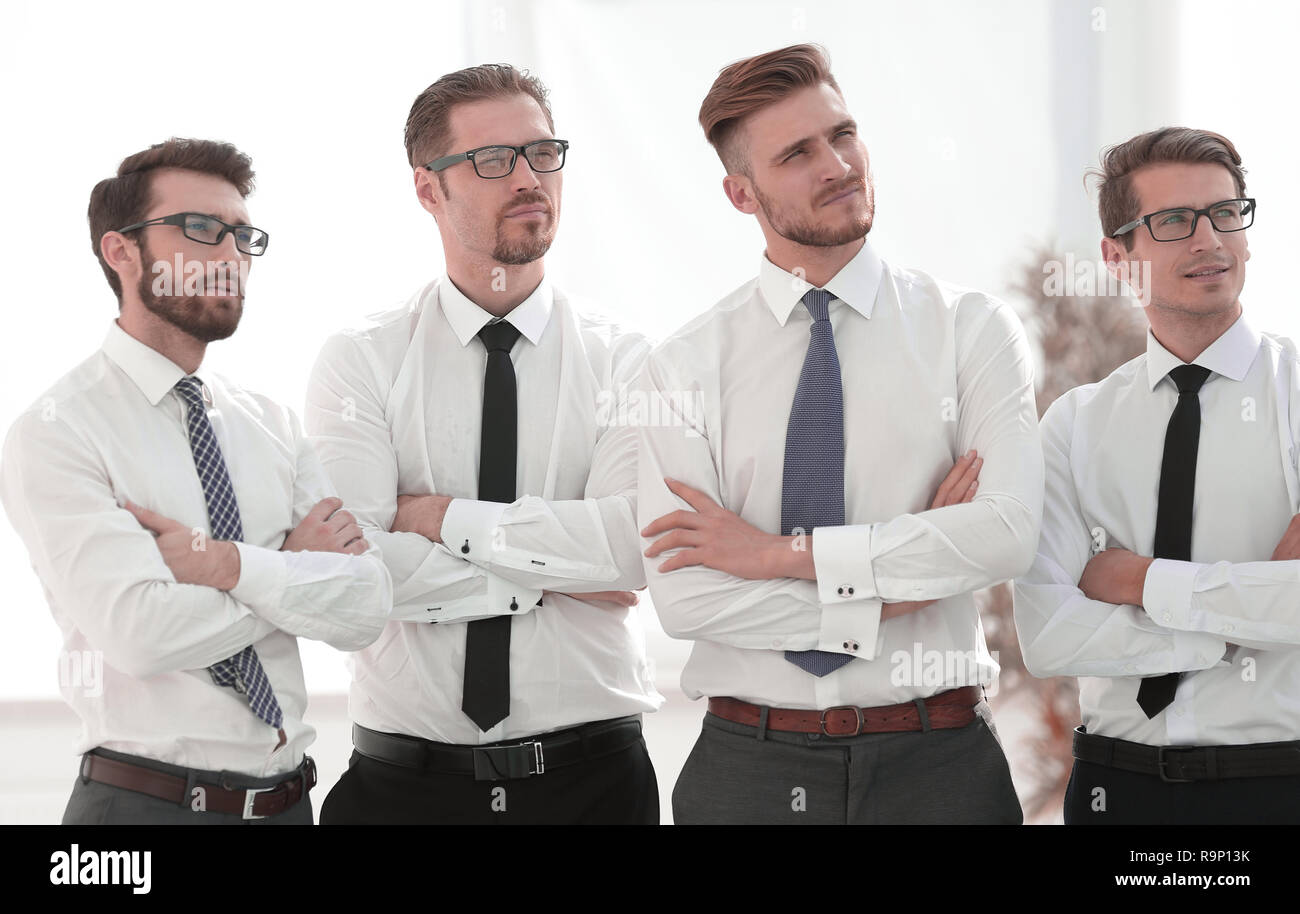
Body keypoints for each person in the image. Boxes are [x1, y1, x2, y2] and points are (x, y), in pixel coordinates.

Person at [636, 44, 1042, 824]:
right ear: (740, 194)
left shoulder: (972, 331)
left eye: (843, 134)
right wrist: (890, 590)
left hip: (940, 764)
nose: (837, 164)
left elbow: (1005, 537)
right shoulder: (682, 365)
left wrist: (773, 556)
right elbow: (688, 598)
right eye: (797, 153)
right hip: (746, 769)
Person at [307, 65, 662, 825]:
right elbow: (347, 578)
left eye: (543, 153)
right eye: (495, 160)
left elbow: (630, 552)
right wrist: (556, 571)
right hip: (402, 790)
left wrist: (436, 517)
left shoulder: (628, 360)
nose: (530, 178)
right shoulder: (361, 360)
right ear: (428, 189)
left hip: (593, 783)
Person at [0, 138, 393, 824]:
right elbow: (141, 635)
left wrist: (226, 566)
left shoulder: (270, 421)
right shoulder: (59, 428)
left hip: (289, 803)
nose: (231, 256)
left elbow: (364, 608)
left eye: (243, 236)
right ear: (120, 251)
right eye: (202, 231)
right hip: (143, 809)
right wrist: (294, 569)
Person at [1014, 127, 1300, 824]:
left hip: (1280, 784)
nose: (1209, 240)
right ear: (1118, 256)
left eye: (1225, 213)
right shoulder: (1072, 425)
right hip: (1117, 790)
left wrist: (1139, 581)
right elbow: (1049, 636)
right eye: (1173, 221)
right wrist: (1237, 627)